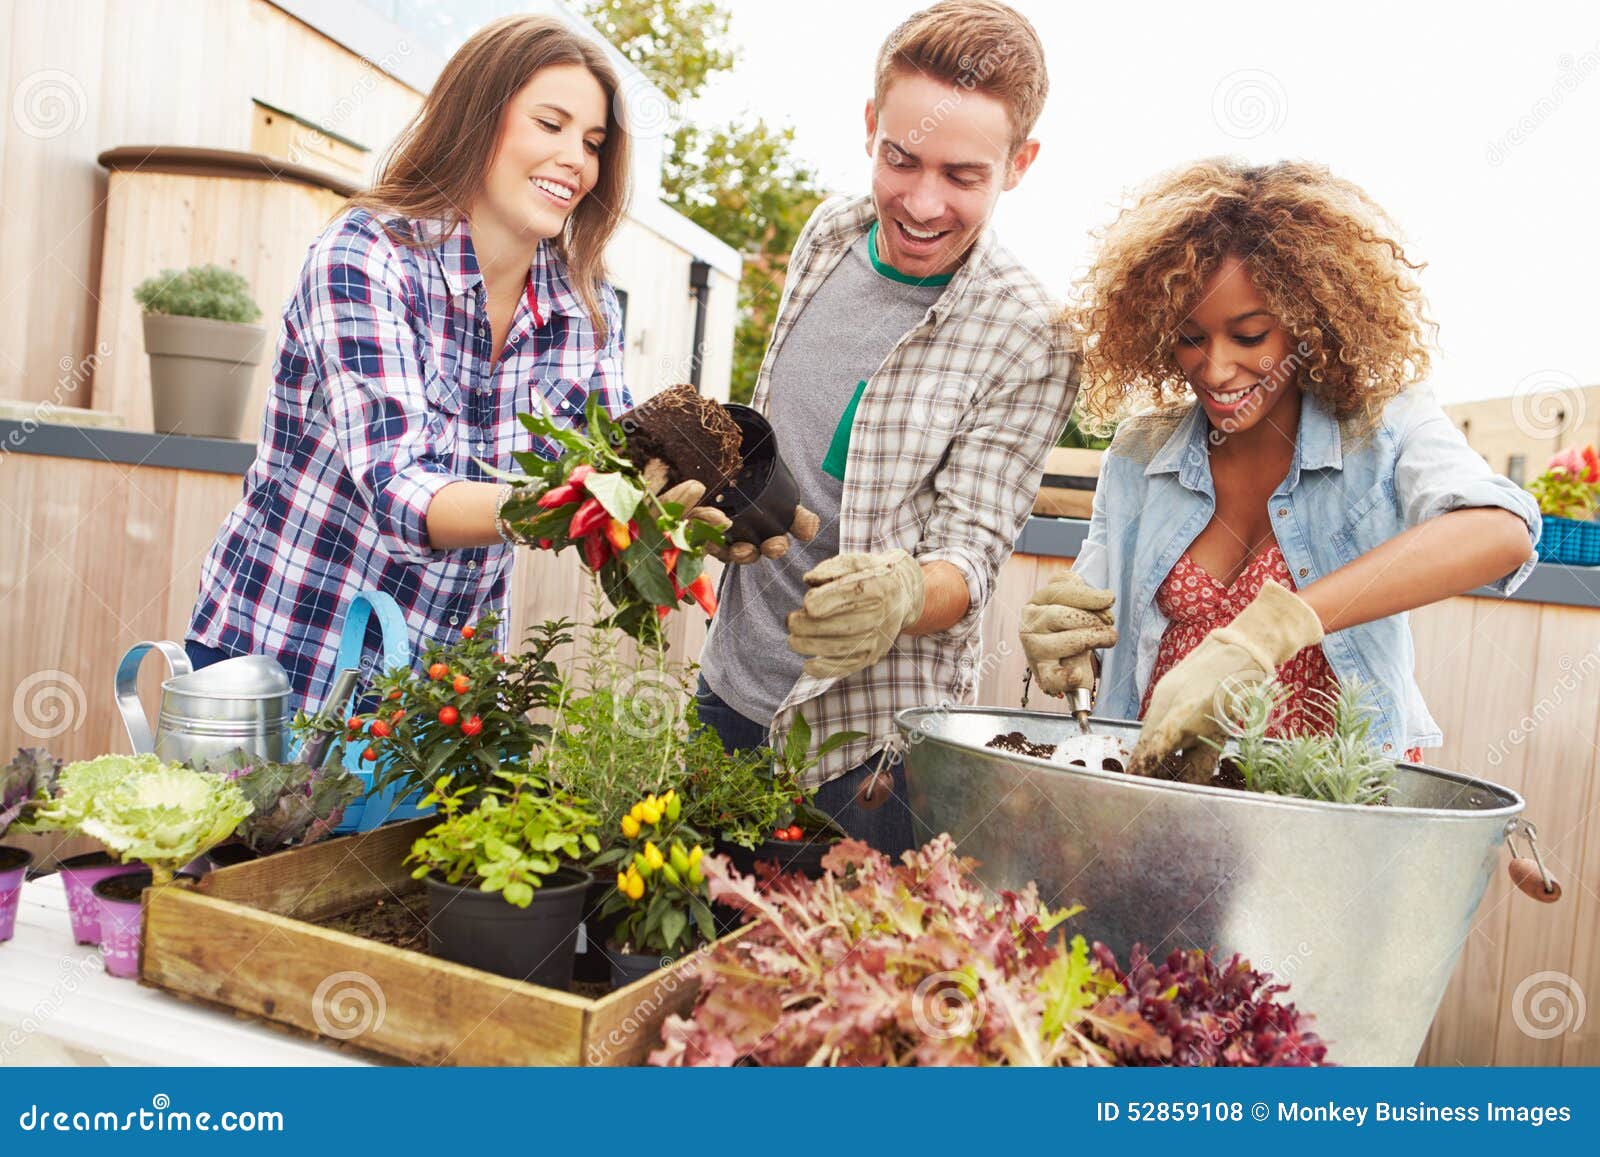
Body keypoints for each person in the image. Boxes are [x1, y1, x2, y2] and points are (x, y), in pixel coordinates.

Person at [693, 0, 1075, 855]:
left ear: (1020, 164)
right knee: (696, 971)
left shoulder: (1030, 335)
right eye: (901, 159)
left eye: (963, 176)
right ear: (870, 125)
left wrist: (904, 591)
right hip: (728, 692)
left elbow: (969, 560)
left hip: (866, 755)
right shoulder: (828, 235)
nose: (923, 202)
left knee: (838, 987)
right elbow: (781, 447)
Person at [1020, 158, 1540, 779]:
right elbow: (1101, 618)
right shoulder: (1138, 454)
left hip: (1332, 805)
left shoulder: (1385, 427)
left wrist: (1272, 630)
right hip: (1169, 787)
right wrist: (1067, 639)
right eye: (1190, 338)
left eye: (1249, 336)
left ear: (1306, 322)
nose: (1214, 369)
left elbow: (1500, 531)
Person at [187, 15, 638, 711]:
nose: (576, 159)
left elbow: (621, 455)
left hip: (438, 704)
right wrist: (559, 505)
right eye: (550, 125)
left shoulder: (583, 304)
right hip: (280, 664)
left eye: (593, 142)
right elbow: (401, 489)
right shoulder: (365, 256)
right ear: (478, 118)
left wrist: (698, 497)